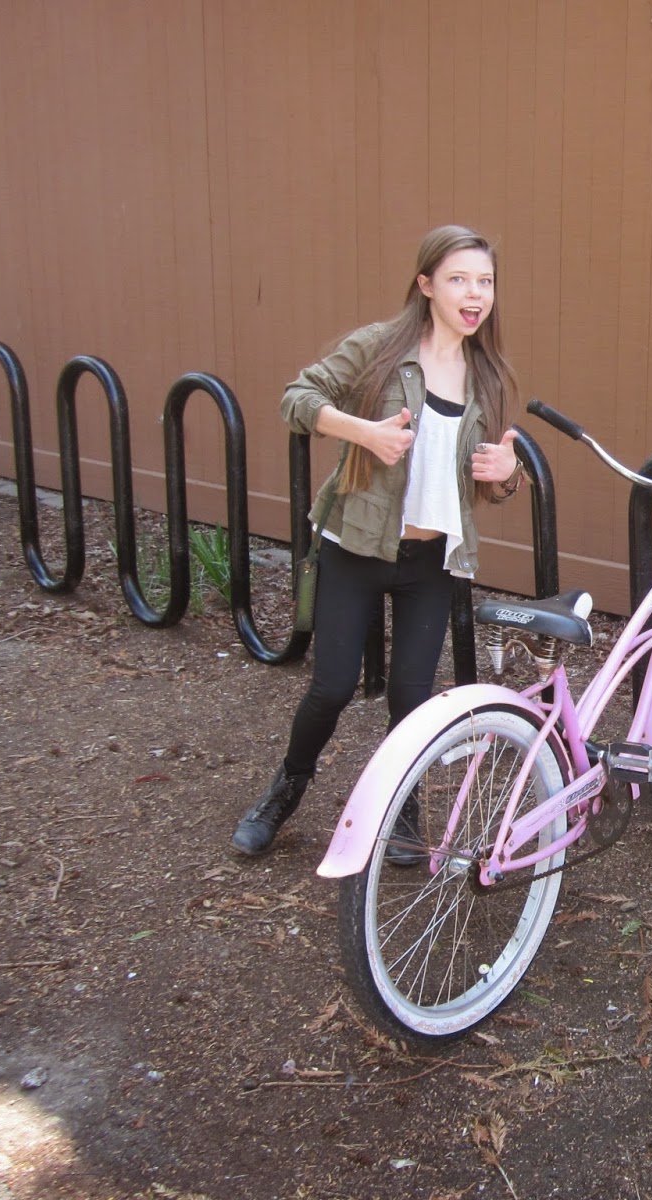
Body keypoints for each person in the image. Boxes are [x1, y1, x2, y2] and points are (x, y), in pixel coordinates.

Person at [231, 224, 524, 857]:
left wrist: (508, 477)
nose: (475, 294)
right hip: (357, 545)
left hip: (432, 558)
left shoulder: (489, 375)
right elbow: (297, 398)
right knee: (332, 686)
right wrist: (362, 431)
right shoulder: (380, 348)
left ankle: (404, 815)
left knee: (411, 699)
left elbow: (489, 478)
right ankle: (284, 791)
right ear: (425, 286)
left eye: (485, 281)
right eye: (458, 279)